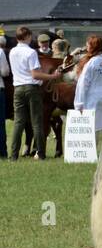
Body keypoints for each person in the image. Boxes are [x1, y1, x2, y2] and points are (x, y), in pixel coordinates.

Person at [8, 28, 58, 160]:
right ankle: (40, 153)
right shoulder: (31, 52)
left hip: (17, 88)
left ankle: (13, 155)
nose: (32, 39)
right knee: (37, 121)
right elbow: (35, 74)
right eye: (31, 36)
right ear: (27, 36)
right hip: (31, 87)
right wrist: (52, 76)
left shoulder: (13, 51)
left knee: (19, 122)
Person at [73, 34, 102, 149]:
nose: (86, 48)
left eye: (88, 45)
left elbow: (83, 84)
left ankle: (90, 152)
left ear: (93, 47)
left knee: (92, 128)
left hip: (94, 99)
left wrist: (79, 104)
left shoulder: (91, 63)